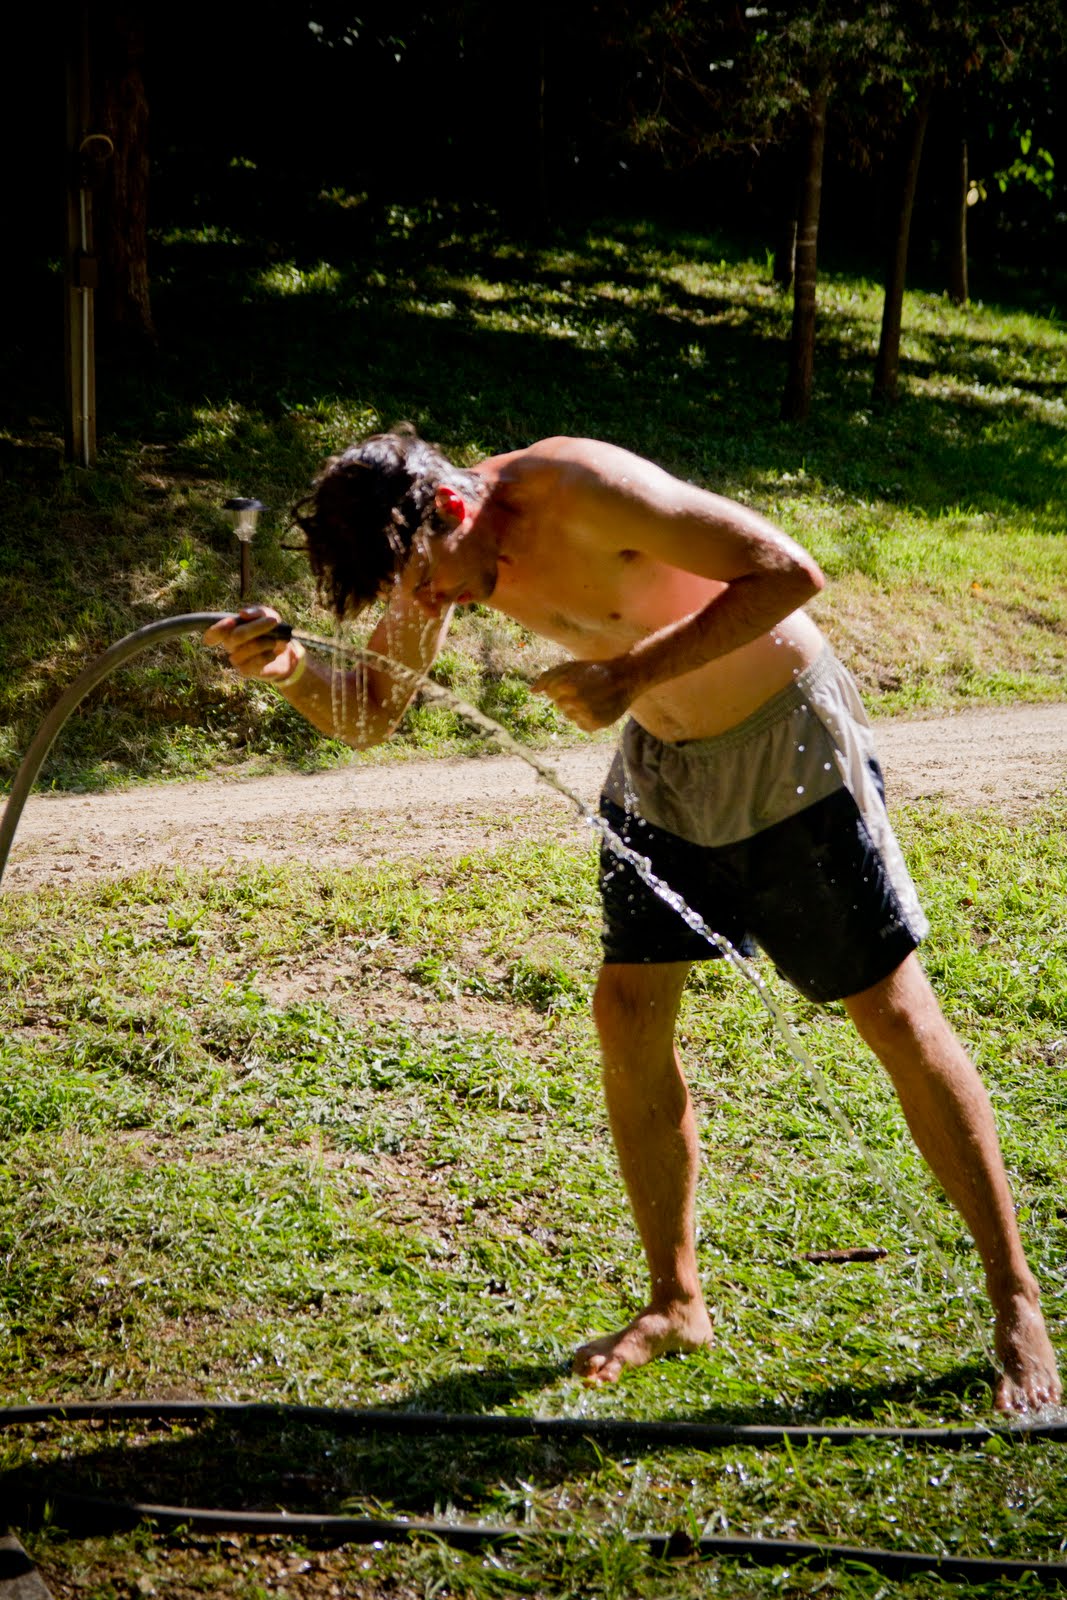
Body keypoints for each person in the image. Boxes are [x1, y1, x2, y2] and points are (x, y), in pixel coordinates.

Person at [205, 428, 1060, 1413]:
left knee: (889, 1012)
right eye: (413, 592)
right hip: (660, 761)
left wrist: (628, 672)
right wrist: (281, 671)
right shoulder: (427, 553)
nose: (427, 604)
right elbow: (369, 712)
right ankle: (675, 1302)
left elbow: (788, 572)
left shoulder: (583, 488)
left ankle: (1015, 1301)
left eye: (427, 582)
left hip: (784, 739)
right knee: (627, 1007)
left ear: (452, 507)